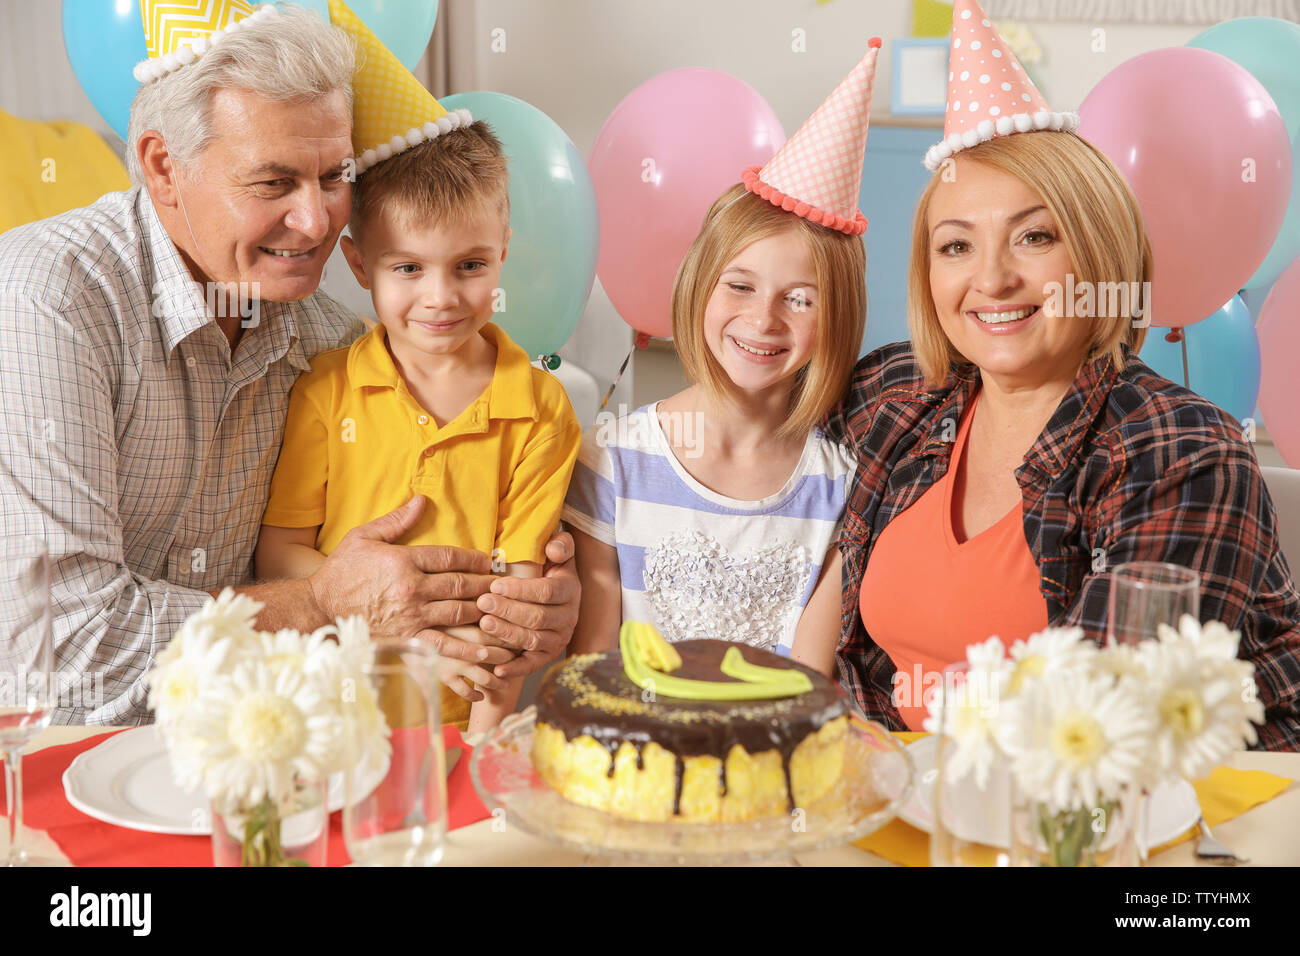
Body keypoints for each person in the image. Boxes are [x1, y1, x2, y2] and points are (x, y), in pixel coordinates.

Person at [0, 1, 579, 725]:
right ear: (163, 166)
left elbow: (406, 564)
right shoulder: (47, 298)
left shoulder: (331, 345)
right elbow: (57, 654)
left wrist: (531, 611)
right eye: (273, 183)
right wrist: (319, 604)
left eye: (334, 175)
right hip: (47, 773)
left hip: (266, 757)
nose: (317, 222)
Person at [823, 1, 1300, 748]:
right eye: (955, 247)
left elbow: (1097, 734)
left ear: (1099, 253)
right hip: (905, 803)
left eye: (1034, 237)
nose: (993, 279)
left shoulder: (1183, 452)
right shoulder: (894, 397)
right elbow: (744, 444)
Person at [255, 25, 580, 732]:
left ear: (503, 252)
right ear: (358, 264)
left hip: (458, 727)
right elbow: (280, 552)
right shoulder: (323, 393)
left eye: (470, 266)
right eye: (408, 268)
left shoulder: (541, 409)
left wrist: (483, 740)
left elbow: (520, 589)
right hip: (327, 717)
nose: (440, 297)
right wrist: (378, 617)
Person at [563, 43, 885, 673]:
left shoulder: (842, 481)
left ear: (837, 318)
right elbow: (591, 665)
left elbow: (812, 686)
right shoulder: (614, 460)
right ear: (699, 286)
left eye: (799, 299)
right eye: (740, 286)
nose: (764, 319)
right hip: (640, 761)